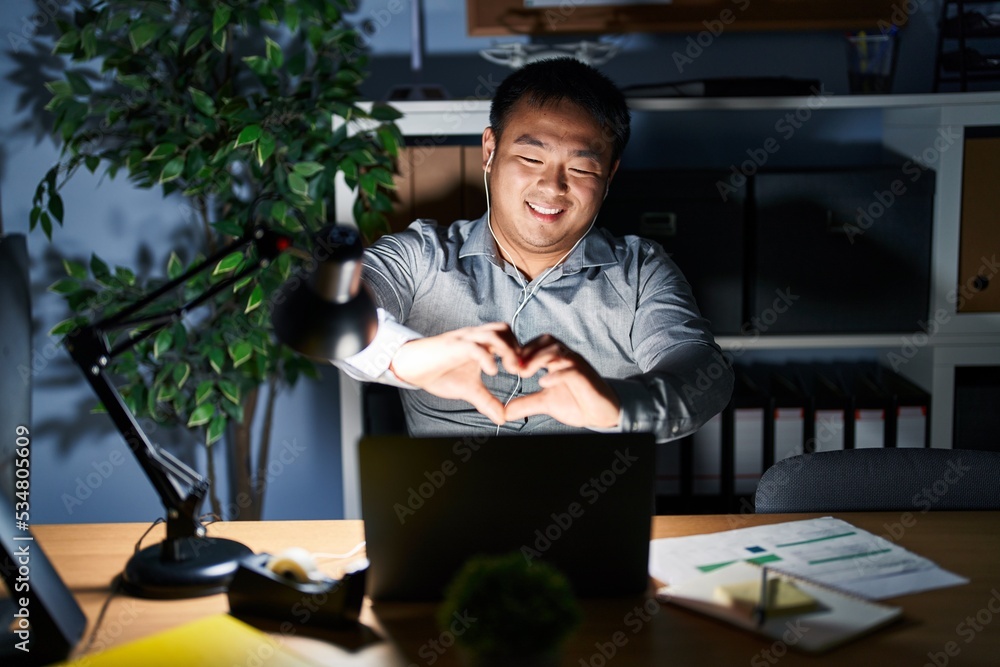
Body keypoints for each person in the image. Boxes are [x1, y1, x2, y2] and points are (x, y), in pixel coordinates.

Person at [338, 57, 733, 442]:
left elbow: (704, 372)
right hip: (438, 503)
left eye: (581, 169)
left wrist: (616, 405)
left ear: (610, 174)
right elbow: (325, 310)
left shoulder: (640, 272)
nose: (552, 187)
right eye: (530, 157)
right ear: (490, 150)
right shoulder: (420, 256)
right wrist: (402, 356)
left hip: (597, 503)